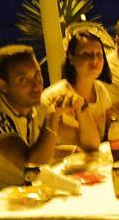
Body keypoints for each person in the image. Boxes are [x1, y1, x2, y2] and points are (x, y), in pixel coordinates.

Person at [0, 45, 76, 197]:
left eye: (37, 75)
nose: (36, 85)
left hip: (30, 195)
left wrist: (80, 110)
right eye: (23, 79)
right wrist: (52, 118)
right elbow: (31, 164)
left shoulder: (38, 105)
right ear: (3, 85)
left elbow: (83, 140)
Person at [40, 23, 112, 152]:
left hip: (96, 162)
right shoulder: (56, 97)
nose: (94, 60)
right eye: (86, 55)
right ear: (71, 58)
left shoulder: (101, 90)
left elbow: (109, 134)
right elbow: (88, 145)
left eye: (98, 54)